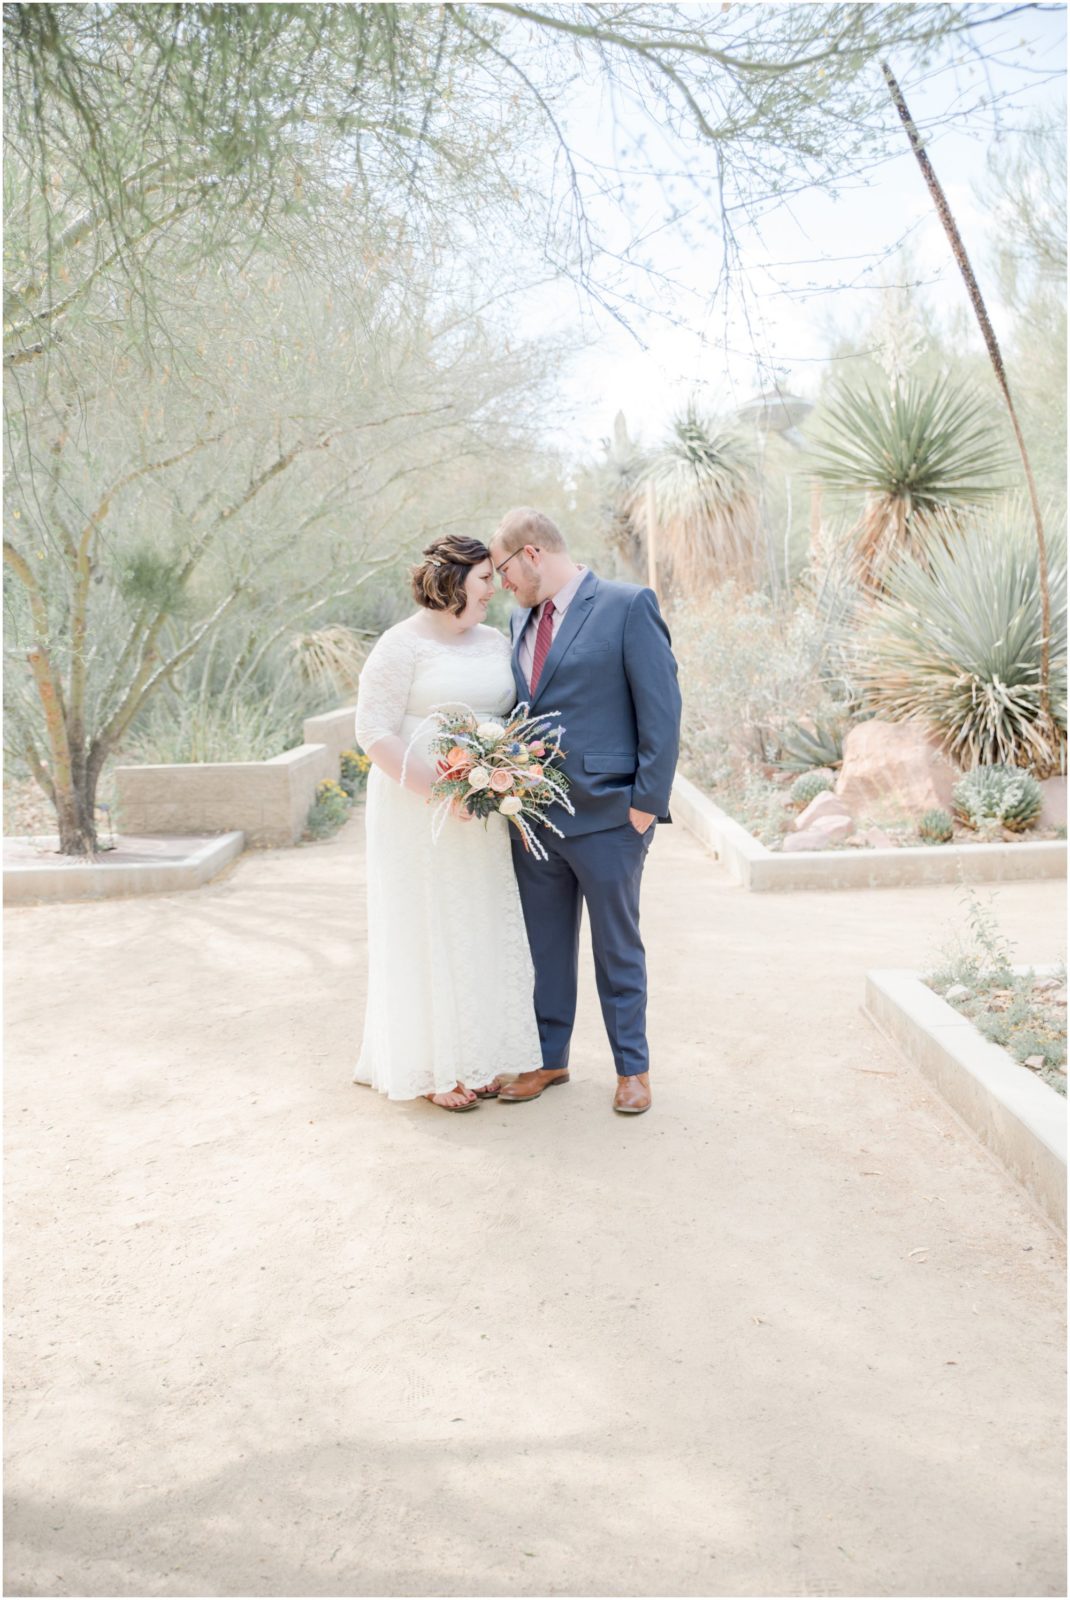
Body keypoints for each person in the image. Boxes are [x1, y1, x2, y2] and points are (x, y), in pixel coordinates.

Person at [488, 507, 682, 1115]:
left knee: (616, 946)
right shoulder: (520, 621)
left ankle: (632, 1068)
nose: (501, 585)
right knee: (543, 944)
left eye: (503, 570)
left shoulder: (627, 606)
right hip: (536, 818)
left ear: (531, 555)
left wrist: (644, 807)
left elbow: (663, 711)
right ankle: (551, 1058)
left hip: (609, 816)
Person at [352, 535, 542, 1110]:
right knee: (426, 923)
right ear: (454, 581)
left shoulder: (496, 638)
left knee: (476, 920)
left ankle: (477, 1058)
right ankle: (433, 1068)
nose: (495, 589)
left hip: (483, 807)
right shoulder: (399, 645)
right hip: (418, 809)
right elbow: (373, 731)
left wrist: (504, 771)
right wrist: (439, 792)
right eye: (486, 579)